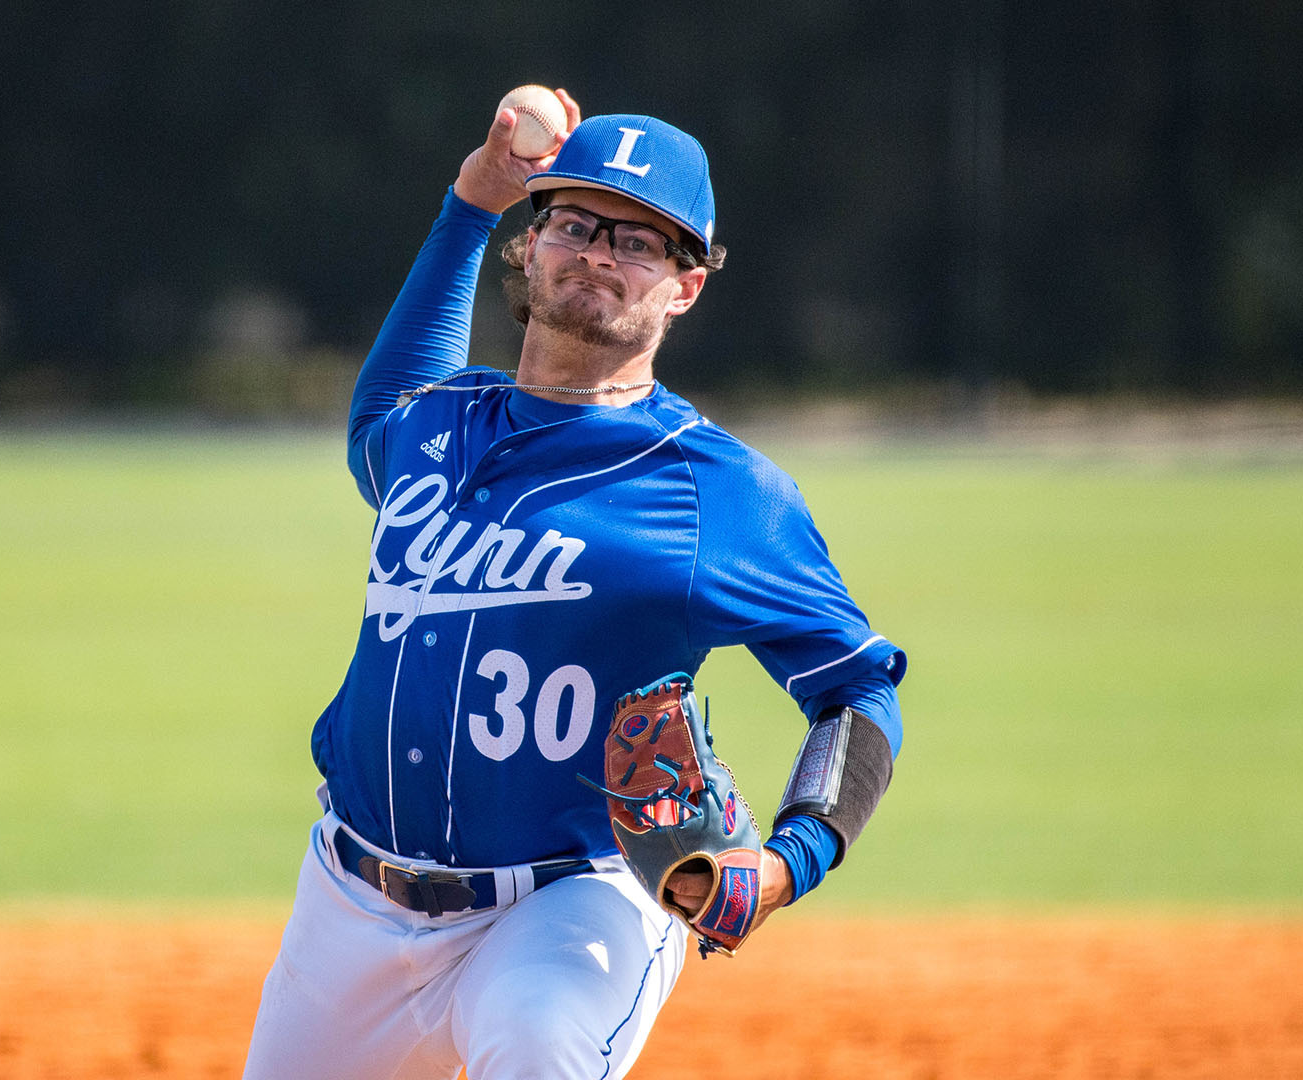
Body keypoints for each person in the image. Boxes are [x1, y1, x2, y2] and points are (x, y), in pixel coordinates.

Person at [242, 90, 907, 1080]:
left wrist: (783, 864)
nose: (599, 252)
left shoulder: (716, 491)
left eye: (640, 241)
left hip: (568, 908)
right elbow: (378, 412)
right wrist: (471, 201)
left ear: (686, 286)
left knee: (541, 1050)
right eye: (577, 223)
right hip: (351, 904)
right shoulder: (435, 427)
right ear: (533, 245)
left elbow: (858, 690)